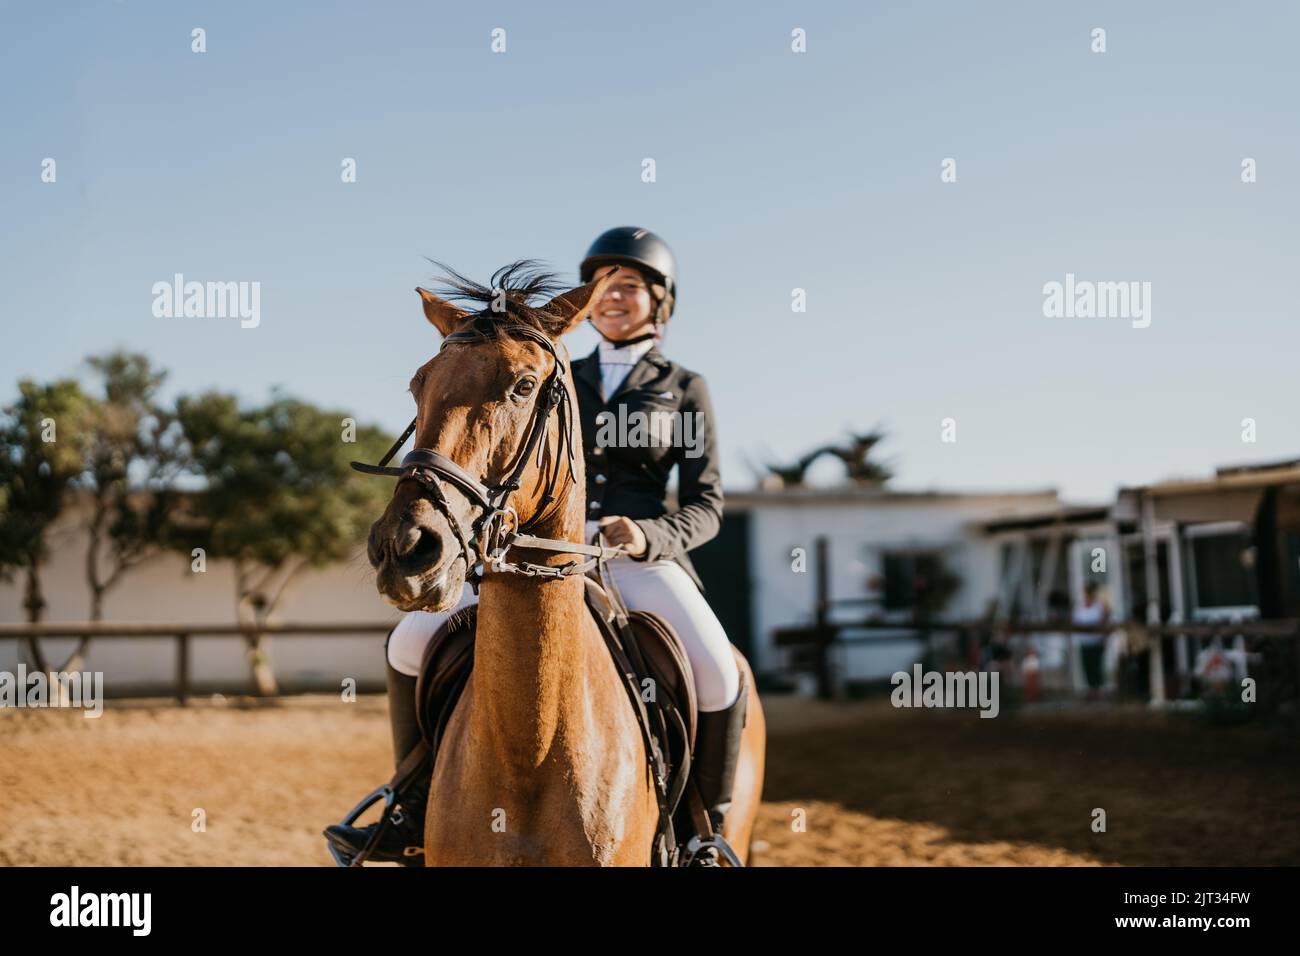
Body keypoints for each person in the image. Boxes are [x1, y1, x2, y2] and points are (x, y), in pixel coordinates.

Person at [325, 226, 745, 865]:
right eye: (602, 283)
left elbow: (708, 503)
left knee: (717, 667)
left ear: (659, 301)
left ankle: (703, 834)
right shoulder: (545, 368)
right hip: (526, 544)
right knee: (409, 641)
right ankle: (408, 807)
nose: (613, 295)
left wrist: (650, 534)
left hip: (635, 556)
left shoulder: (683, 386)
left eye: (629, 284)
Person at [1072, 581, 1110, 700]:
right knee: (1087, 666)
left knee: (1096, 666)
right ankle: (1091, 690)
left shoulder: (1099, 606)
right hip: (1084, 642)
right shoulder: (1079, 606)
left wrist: (1104, 637)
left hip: (1097, 642)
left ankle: (1097, 690)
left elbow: (1105, 621)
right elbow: (1075, 621)